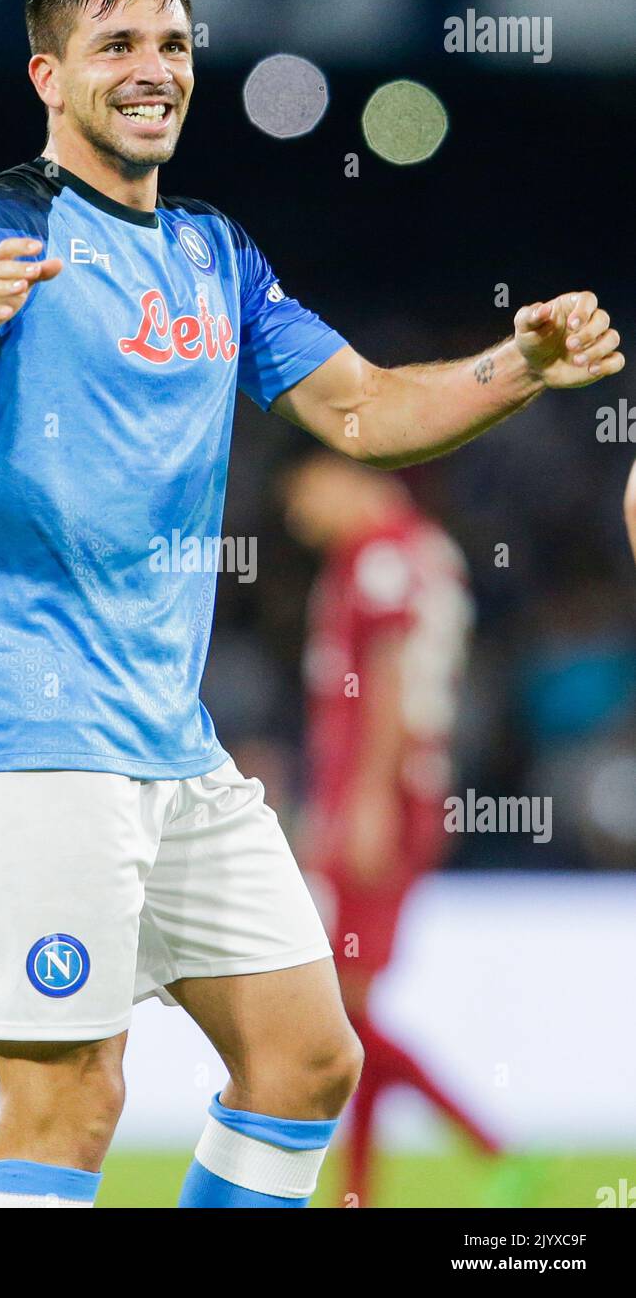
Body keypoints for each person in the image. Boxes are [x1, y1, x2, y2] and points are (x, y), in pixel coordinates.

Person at [0, 0, 623, 1209]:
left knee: (306, 1061)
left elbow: (365, 410)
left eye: (173, 44)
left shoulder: (215, 252)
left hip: (173, 748)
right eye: (117, 45)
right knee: (68, 1097)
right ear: (47, 77)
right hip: (35, 734)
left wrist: (516, 362)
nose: (154, 70)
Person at [284, 450, 499, 1205]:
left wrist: (364, 801)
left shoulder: (378, 558)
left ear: (347, 476)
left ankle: (492, 1150)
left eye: (306, 493)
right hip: (405, 793)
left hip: (379, 799)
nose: (298, 516)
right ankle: (363, 1190)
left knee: (341, 1013)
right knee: (356, 1007)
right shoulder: (424, 549)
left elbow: (385, 679)